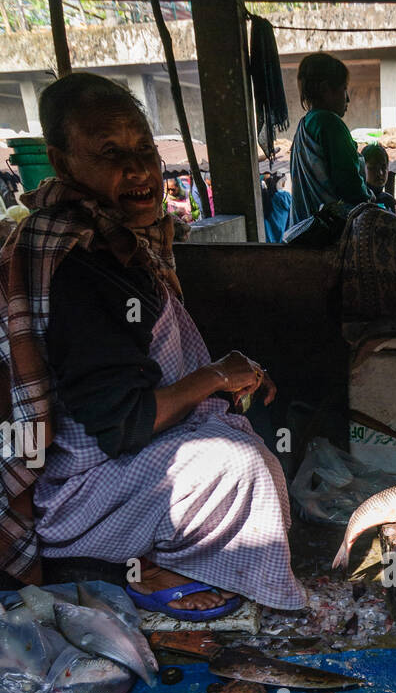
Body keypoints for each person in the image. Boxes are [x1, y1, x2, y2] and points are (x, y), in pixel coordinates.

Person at [0, 72, 305, 616]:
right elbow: (124, 424)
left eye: (143, 146)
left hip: (116, 463)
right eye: (110, 152)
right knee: (239, 467)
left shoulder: (118, 241)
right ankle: (143, 568)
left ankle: (169, 554)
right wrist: (215, 376)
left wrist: (226, 377)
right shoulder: (79, 263)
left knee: (250, 439)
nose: (138, 168)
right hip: (79, 494)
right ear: (62, 161)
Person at [288, 53, 372, 226]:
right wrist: (371, 198)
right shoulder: (330, 123)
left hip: (302, 230)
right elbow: (351, 188)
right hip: (328, 233)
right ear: (326, 89)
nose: (347, 98)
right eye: (344, 89)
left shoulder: (304, 125)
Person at [361, 143, 396, 213]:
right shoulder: (359, 200)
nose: (380, 173)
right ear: (362, 169)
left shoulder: (389, 201)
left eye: (383, 167)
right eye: (373, 168)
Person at [261, 170, 293, 242]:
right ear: (283, 183)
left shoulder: (265, 195)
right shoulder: (284, 196)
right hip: (280, 236)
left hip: (267, 237)